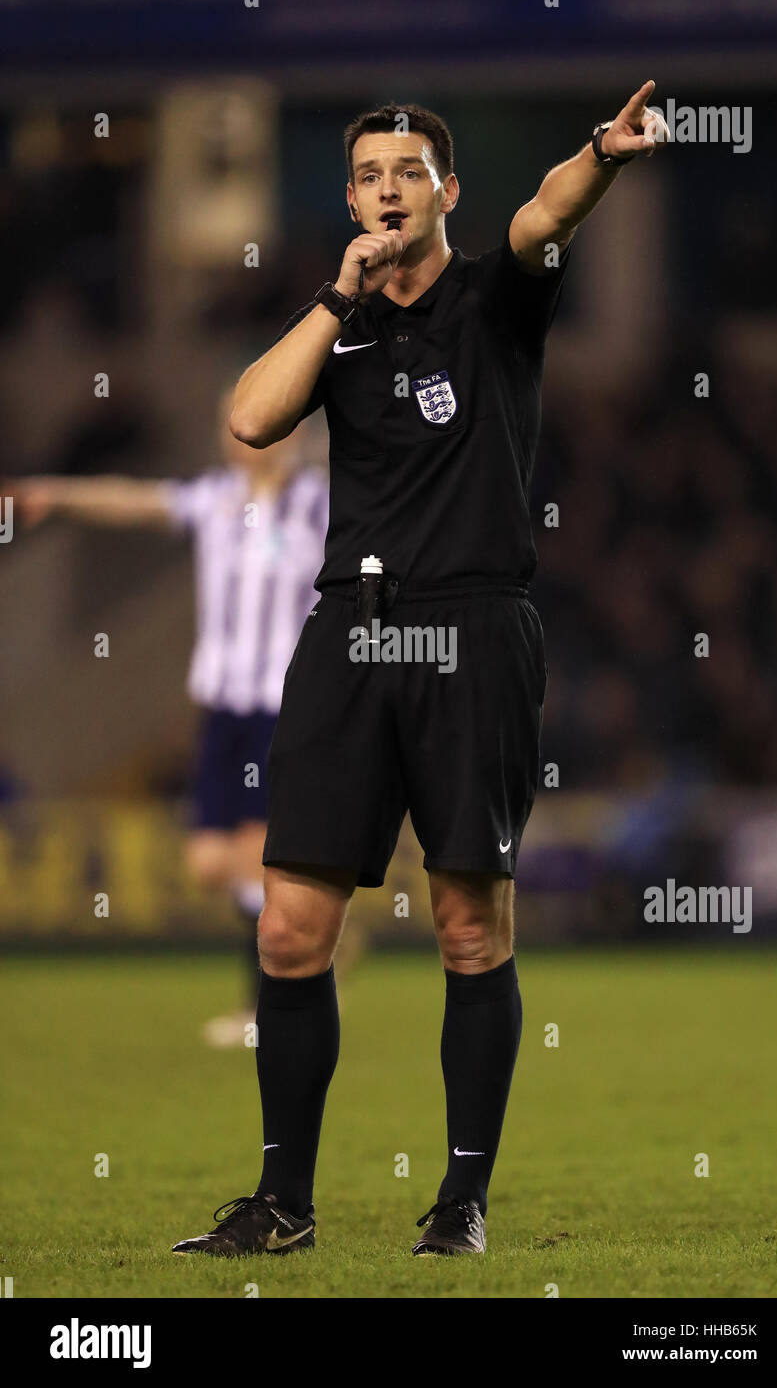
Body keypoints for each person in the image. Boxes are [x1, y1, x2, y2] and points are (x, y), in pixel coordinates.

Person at [172, 87, 667, 1258]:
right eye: (370, 173)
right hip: (350, 629)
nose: (390, 187)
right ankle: (282, 1204)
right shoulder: (336, 321)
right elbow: (249, 417)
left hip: (474, 627)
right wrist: (337, 292)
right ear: (349, 198)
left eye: (412, 170)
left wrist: (599, 152)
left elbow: (549, 217)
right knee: (289, 931)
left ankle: (461, 1201)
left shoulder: (498, 295)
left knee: (467, 926)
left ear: (448, 189)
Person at [13, 392, 329, 1042]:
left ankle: (270, 1008)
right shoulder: (213, 501)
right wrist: (59, 494)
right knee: (210, 861)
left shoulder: (320, 507)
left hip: (283, 706)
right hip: (220, 709)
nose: (240, 438)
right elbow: (134, 500)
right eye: (230, 426)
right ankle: (317, 933)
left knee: (256, 852)